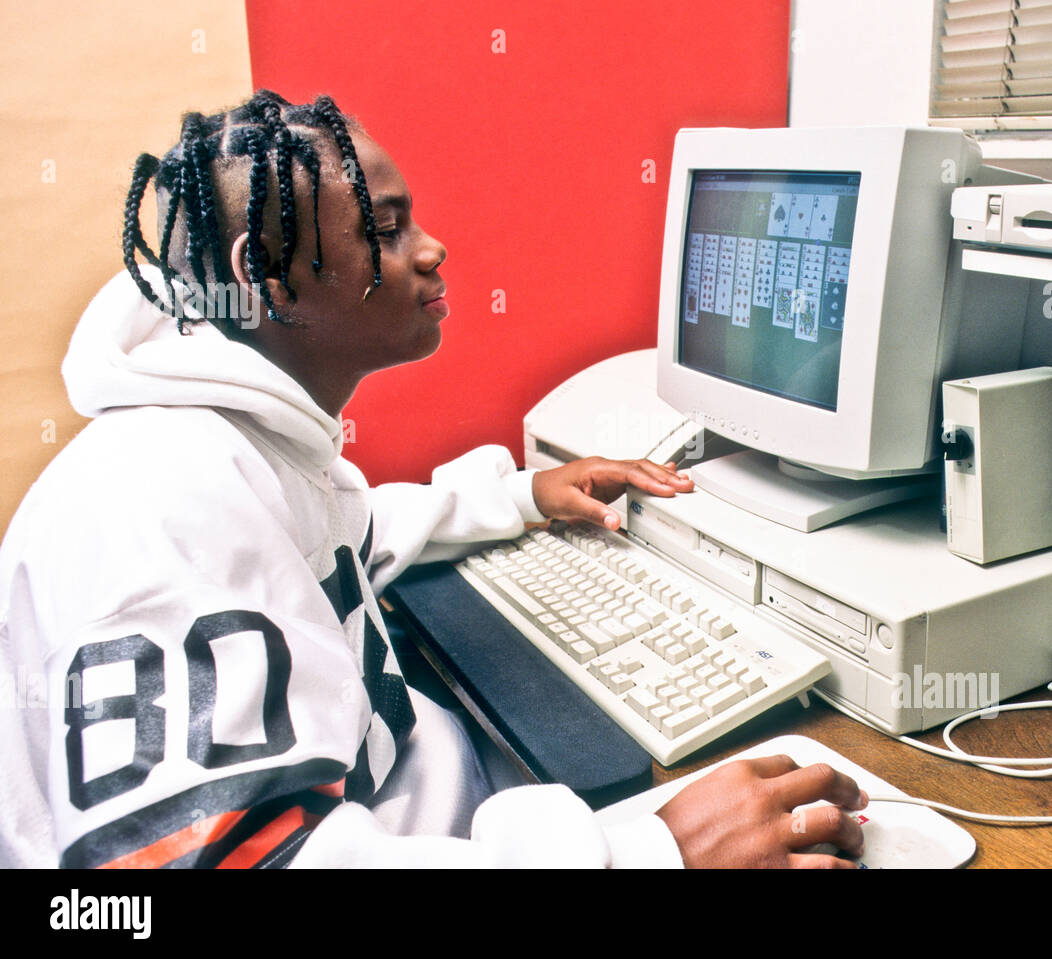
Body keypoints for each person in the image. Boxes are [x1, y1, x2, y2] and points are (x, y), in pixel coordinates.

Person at [0, 91, 867, 868]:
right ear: (262, 280)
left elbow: (335, 540)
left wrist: (520, 498)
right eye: (385, 229)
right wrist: (649, 854)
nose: (432, 249)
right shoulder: (155, 511)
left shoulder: (245, 449)